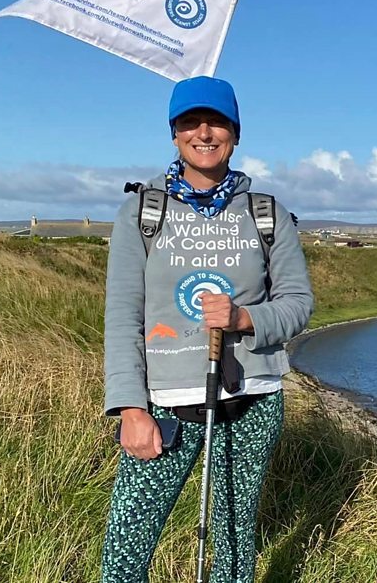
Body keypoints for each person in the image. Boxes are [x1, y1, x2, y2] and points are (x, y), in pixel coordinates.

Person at [100, 76, 314, 582]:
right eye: (190, 122)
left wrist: (246, 319)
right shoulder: (142, 212)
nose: (204, 132)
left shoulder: (267, 214)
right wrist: (131, 408)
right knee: (127, 545)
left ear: (235, 134)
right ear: (174, 133)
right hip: (162, 404)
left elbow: (299, 304)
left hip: (252, 400)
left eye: (217, 121)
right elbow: (122, 316)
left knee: (235, 545)